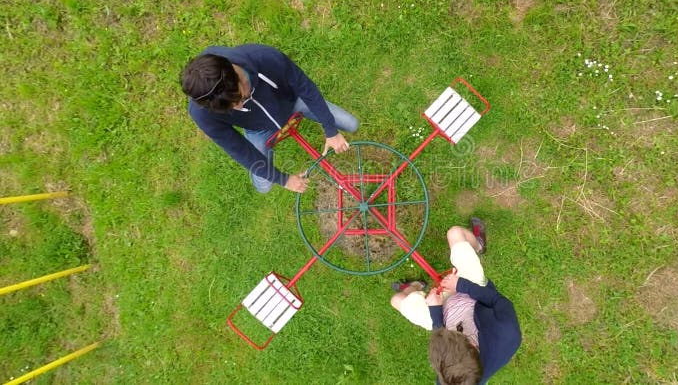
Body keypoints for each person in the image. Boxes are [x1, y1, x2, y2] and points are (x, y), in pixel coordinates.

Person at [180, 44, 358, 193]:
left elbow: (306, 88)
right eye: (230, 109)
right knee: (264, 184)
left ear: (236, 77)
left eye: (239, 99)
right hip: (258, 128)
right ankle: (265, 164)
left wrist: (330, 130)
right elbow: (239, 150)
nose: (239, 107)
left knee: (351, 123)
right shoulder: (201, 112)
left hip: (291, 102)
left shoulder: (263, 57)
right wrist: (282, 179)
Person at [390, 218, 521, 385]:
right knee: (455, 234)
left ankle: (414, 287)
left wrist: (436, 312)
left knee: (397, 300)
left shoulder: (447, 377)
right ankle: (478, 244)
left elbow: (441, 339)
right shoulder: (507, 333)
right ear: (473, 346)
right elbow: (494, 299)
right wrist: (461, 285)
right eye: (456, 332)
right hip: (474, 296)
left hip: (443, 313)